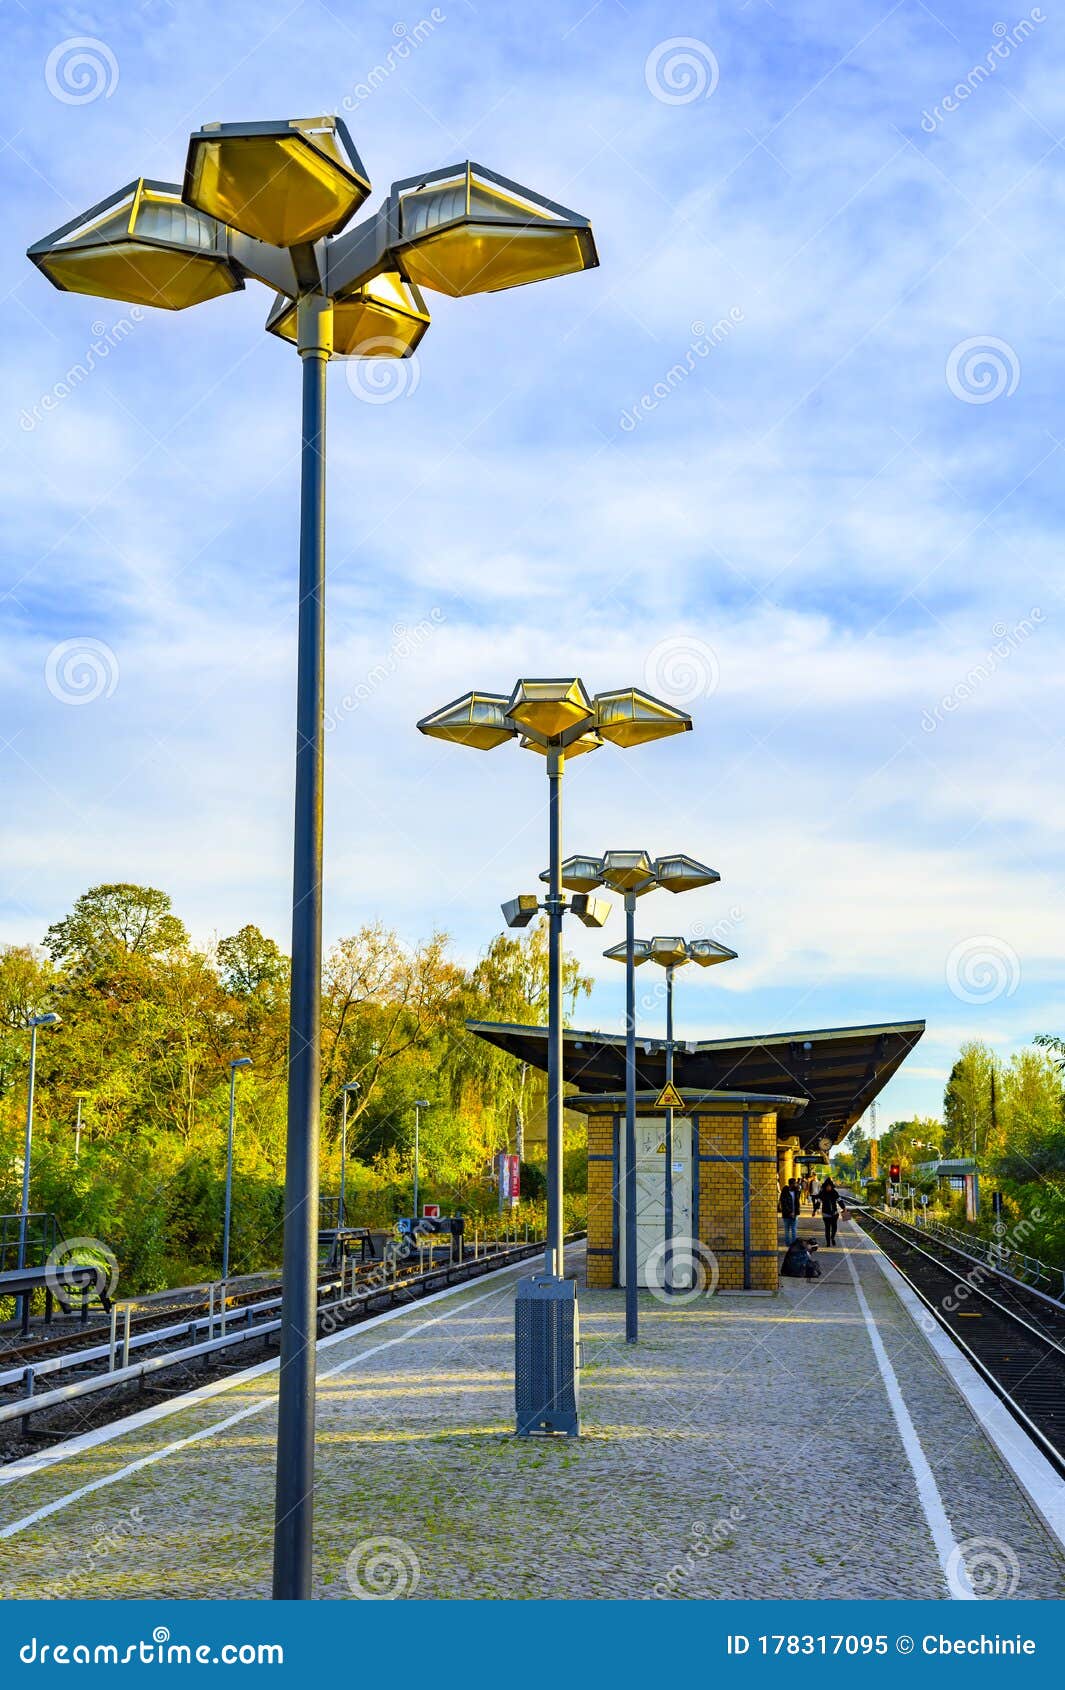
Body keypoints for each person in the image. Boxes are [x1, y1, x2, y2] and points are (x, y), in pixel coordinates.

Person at [819, 1177, 846, 1246]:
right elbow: (818, 1202)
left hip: (834, 1213)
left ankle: (832, 1237)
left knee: (834, 1227)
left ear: (831, 1186)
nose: (828, 1188)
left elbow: (839, 1201)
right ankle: (828, 1242)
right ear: (825, 1187)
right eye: (827, 1186)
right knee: (827, 1228)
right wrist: (814, 1210)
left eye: (829, 1186)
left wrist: (844, 1208)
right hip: (826, 1214)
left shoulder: (834, 1192)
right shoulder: (822, 1193)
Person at [779, 1177, 801, 1245]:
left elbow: (797, 1203)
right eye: (794, 1183)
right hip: (786, 1214)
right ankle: (787, 1243)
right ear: (791, 1184)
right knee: (787, 1230)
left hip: (795, 1214)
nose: (796, 1184)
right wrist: (789, 1212)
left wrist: (795, 1212)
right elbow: (783, 1203)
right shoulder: (785, 1191)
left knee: (794, 1230)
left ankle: (794, 1244)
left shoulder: (796, 1191)